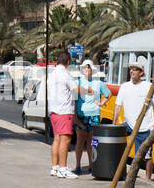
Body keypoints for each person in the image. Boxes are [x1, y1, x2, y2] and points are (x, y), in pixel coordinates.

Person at [113, 59, 154, 181]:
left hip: (145, 127)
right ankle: (116, 169)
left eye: (135, 69)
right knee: (113, 138)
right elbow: (118, 105)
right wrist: (114, 124)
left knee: (146, 156)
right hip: (129, 124)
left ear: (141, 73)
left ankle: (148, 179)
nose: (132, 71)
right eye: (131, 69)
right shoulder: (124, 87)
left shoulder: (149, 87)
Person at [72, 60, 111, 175]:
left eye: (89, 68)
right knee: (80, 141)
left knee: (92, 142)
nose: (87, 70)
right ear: (82, 70)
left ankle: (91, 164)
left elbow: (108, 94)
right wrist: (75, 116)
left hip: (94, 114)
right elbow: (74, 100)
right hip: (82, 114)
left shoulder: (98, 83)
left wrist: (102, 103)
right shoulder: (78, 83)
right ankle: (78, 165)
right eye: (85, 68)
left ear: (92, 70)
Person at [47, 51, 79, 179]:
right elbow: (76, 89)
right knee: (65, 140)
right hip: (64, 111)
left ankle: (55, 167)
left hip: (54, 111)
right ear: (68, 62)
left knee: (56, 139)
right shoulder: (65, 74)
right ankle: (63, 168)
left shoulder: (52, 74)